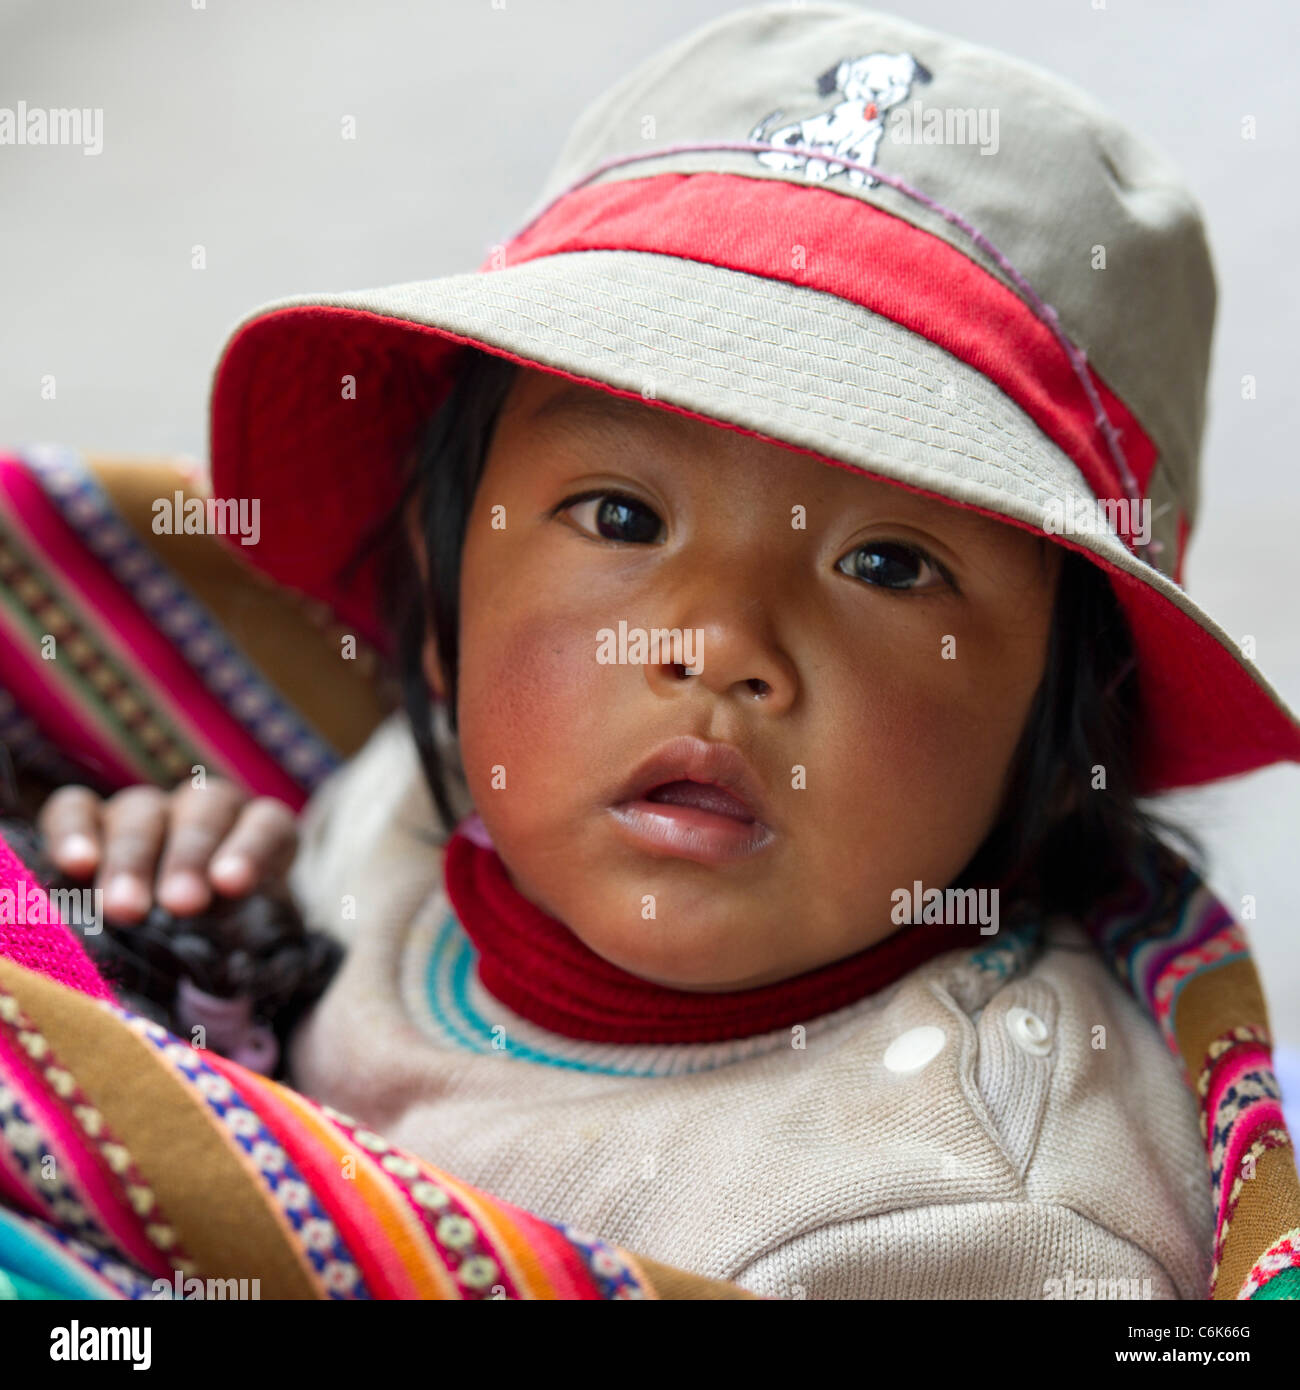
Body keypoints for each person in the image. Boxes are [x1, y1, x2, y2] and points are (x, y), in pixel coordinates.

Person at [34, 4, 1300, 1299]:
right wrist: (200, 909)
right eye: (622, 515)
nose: (717, 645)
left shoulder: (973, 1218)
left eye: (889, 563)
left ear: (1068, 717)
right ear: (443, 596)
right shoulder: (415, 811)